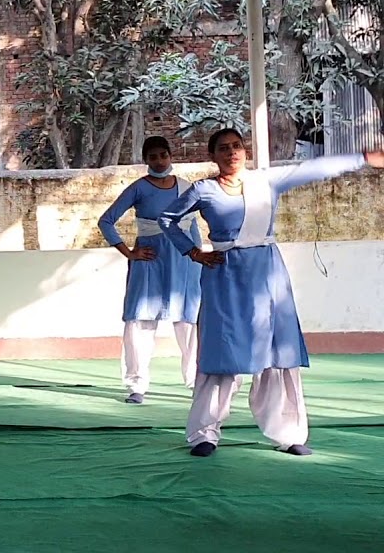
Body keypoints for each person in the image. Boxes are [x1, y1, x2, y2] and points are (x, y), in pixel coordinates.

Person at [159, 128, 384, 457]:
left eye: (237, 146)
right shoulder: (203, 190)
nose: (232, 153)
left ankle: (289, 433)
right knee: (221, 353)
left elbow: (313, 168)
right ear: (213, 155)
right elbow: (167, 219)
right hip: (224, 276)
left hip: (267, 275)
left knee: (278, 355)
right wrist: (193, 252)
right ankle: (204, 434)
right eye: (223, 148)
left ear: (245, 151)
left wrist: (362, 158)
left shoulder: (266, 181)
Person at [97, 136, 202, 404]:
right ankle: (136, 385)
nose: (159, 161)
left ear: (171, 156)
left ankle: (196, 381)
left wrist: (198, 258)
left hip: (183, 262)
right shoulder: (138, 189)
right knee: (140, 321)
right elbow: (106, 221)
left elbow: (192, 227)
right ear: (146, 160)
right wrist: (129, 252)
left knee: (189, 321)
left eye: (163, 155)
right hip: (150, 262)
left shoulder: (187, 188)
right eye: (152, 157)